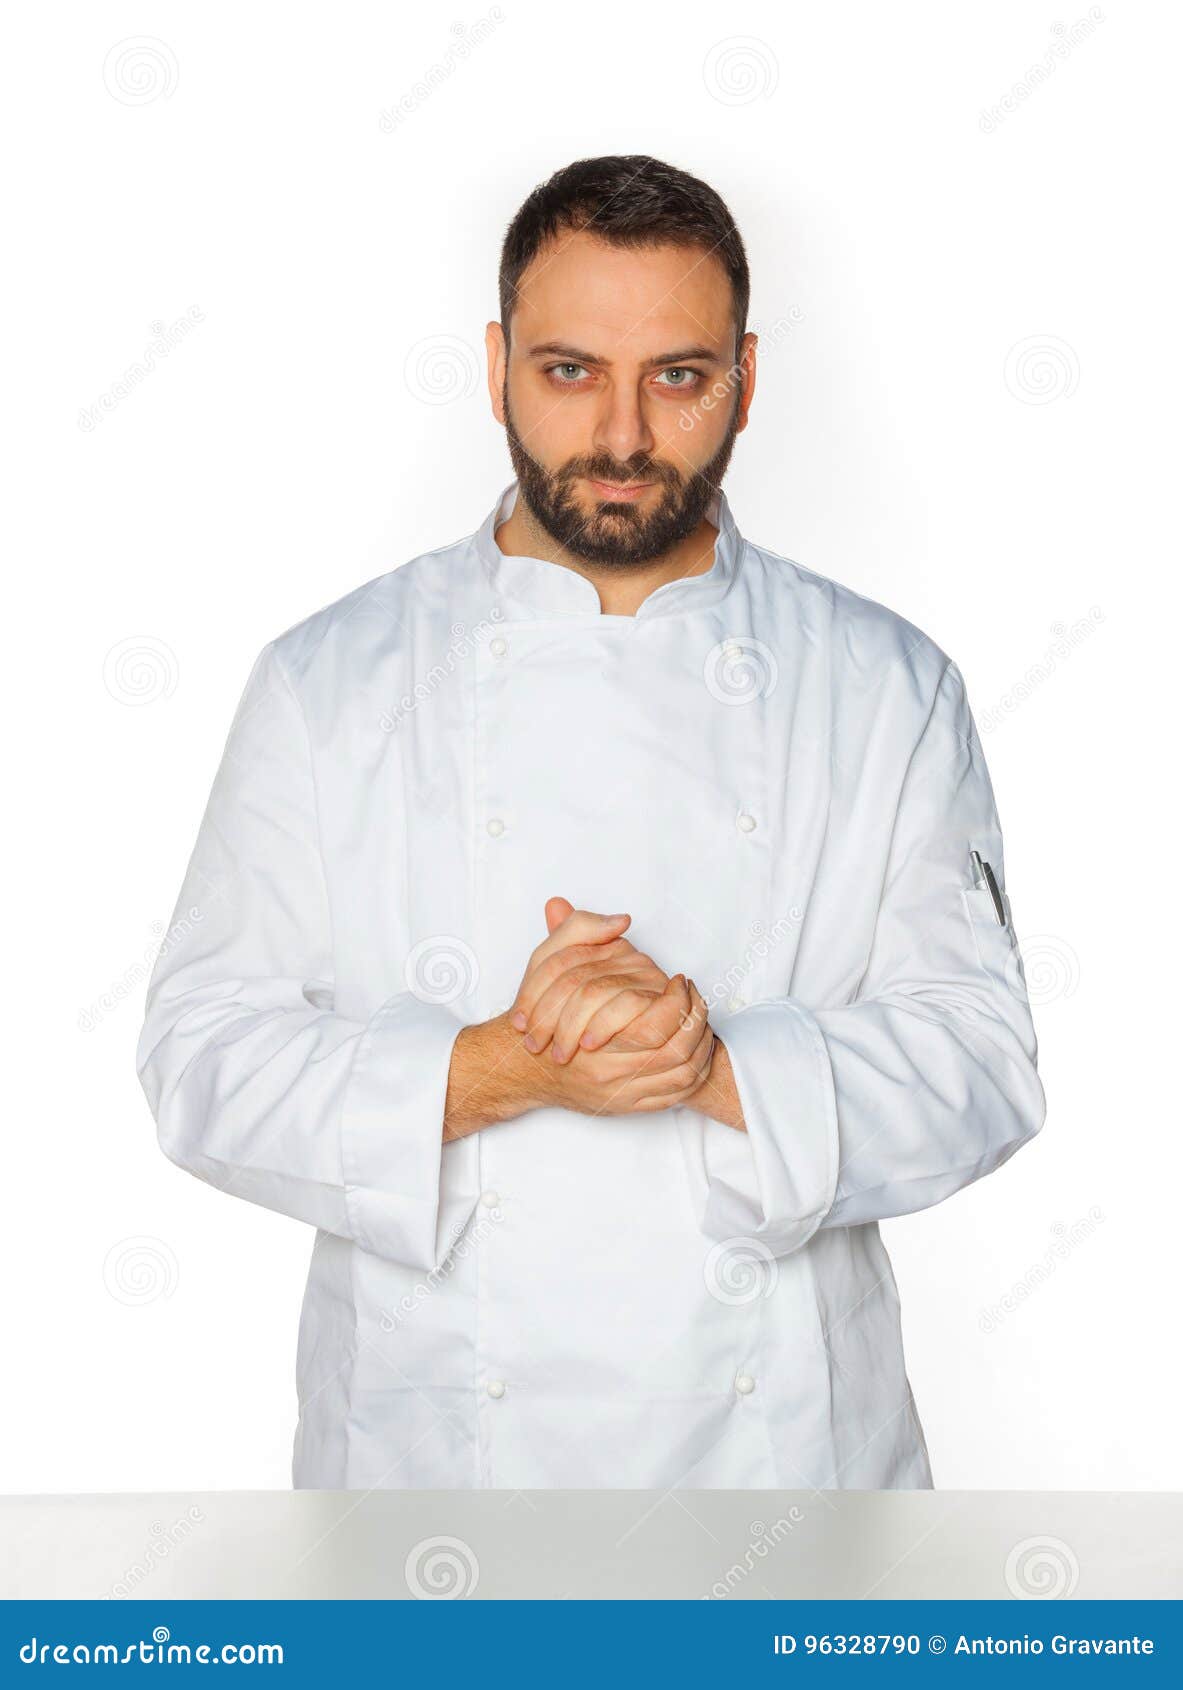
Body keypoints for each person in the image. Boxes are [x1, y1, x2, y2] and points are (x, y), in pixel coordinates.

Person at [136, 154, 1046, 1490]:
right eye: (570, 371)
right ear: (498, 365)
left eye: (677, 376)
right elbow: (200, 1061)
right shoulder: (329, 681)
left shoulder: (889, 686)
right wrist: (502, 1066)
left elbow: (984, 1061)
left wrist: (709, 1065)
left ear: (746, 374)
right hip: (430, 1475)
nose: (622, 434)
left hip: (788, 1484)